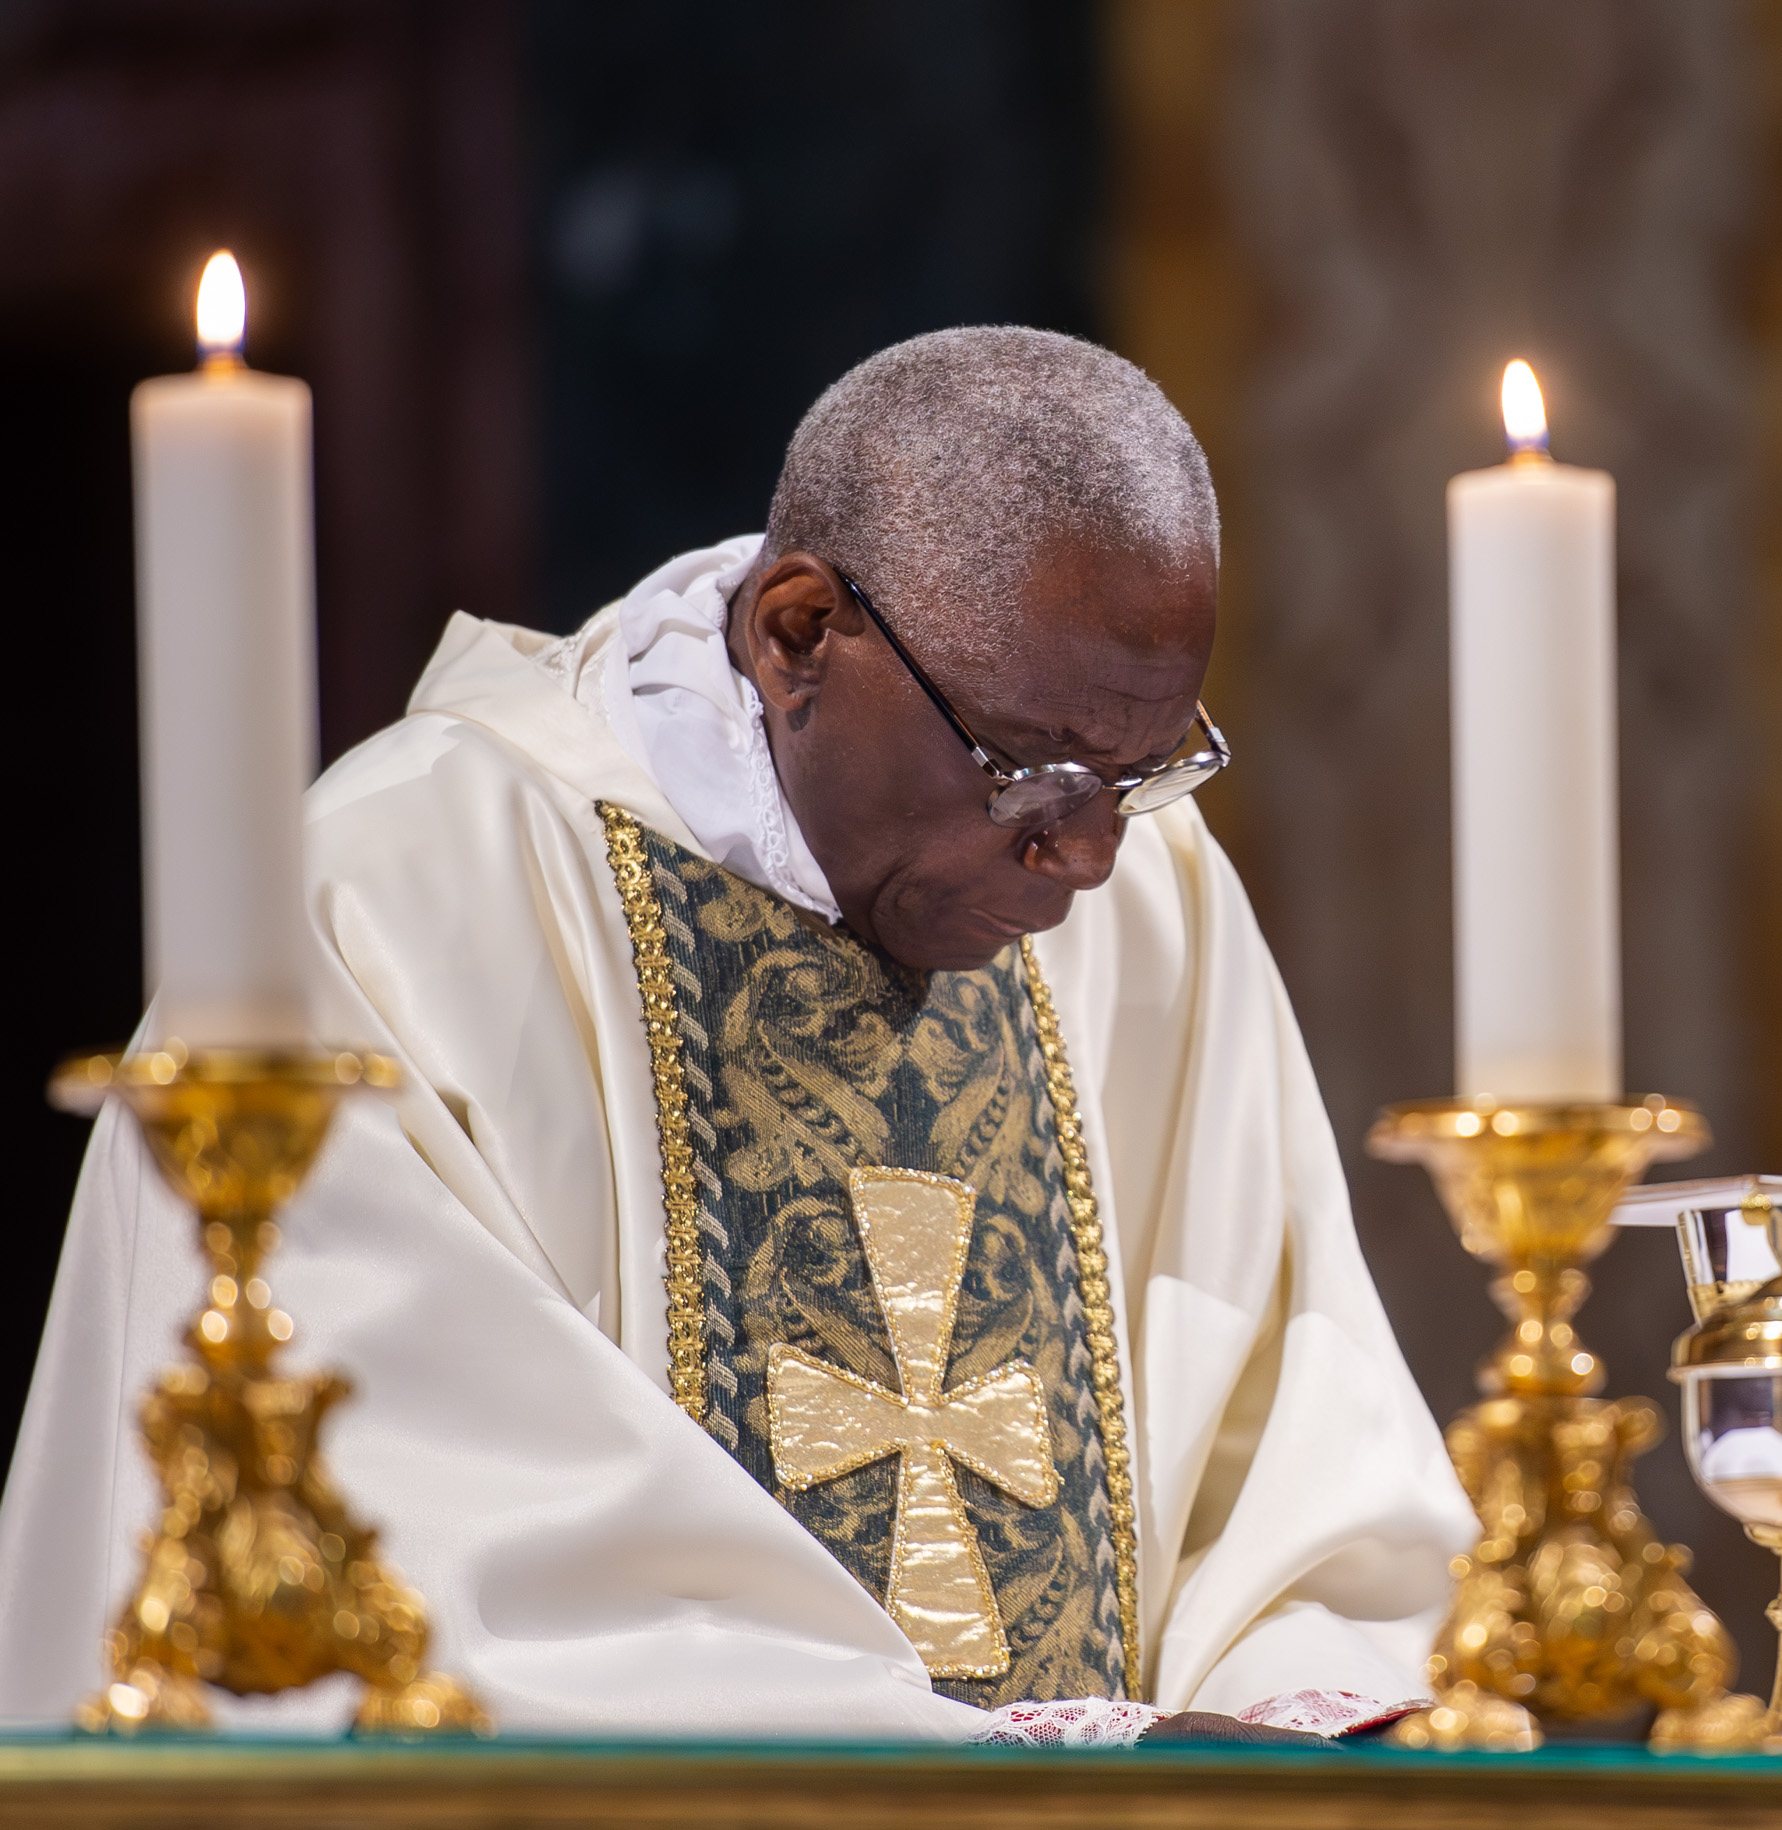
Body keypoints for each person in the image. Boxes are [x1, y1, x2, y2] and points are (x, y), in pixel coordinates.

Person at [0, 327, 1475, 1746]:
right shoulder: (400, 894)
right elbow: (421, 1540)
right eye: (1029, 774)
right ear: (798, 634)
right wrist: (1007, 1771)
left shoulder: (1158, 897)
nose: (1087, 858)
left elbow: (1300, 1473)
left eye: (1146, 773)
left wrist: (1275, 1726)